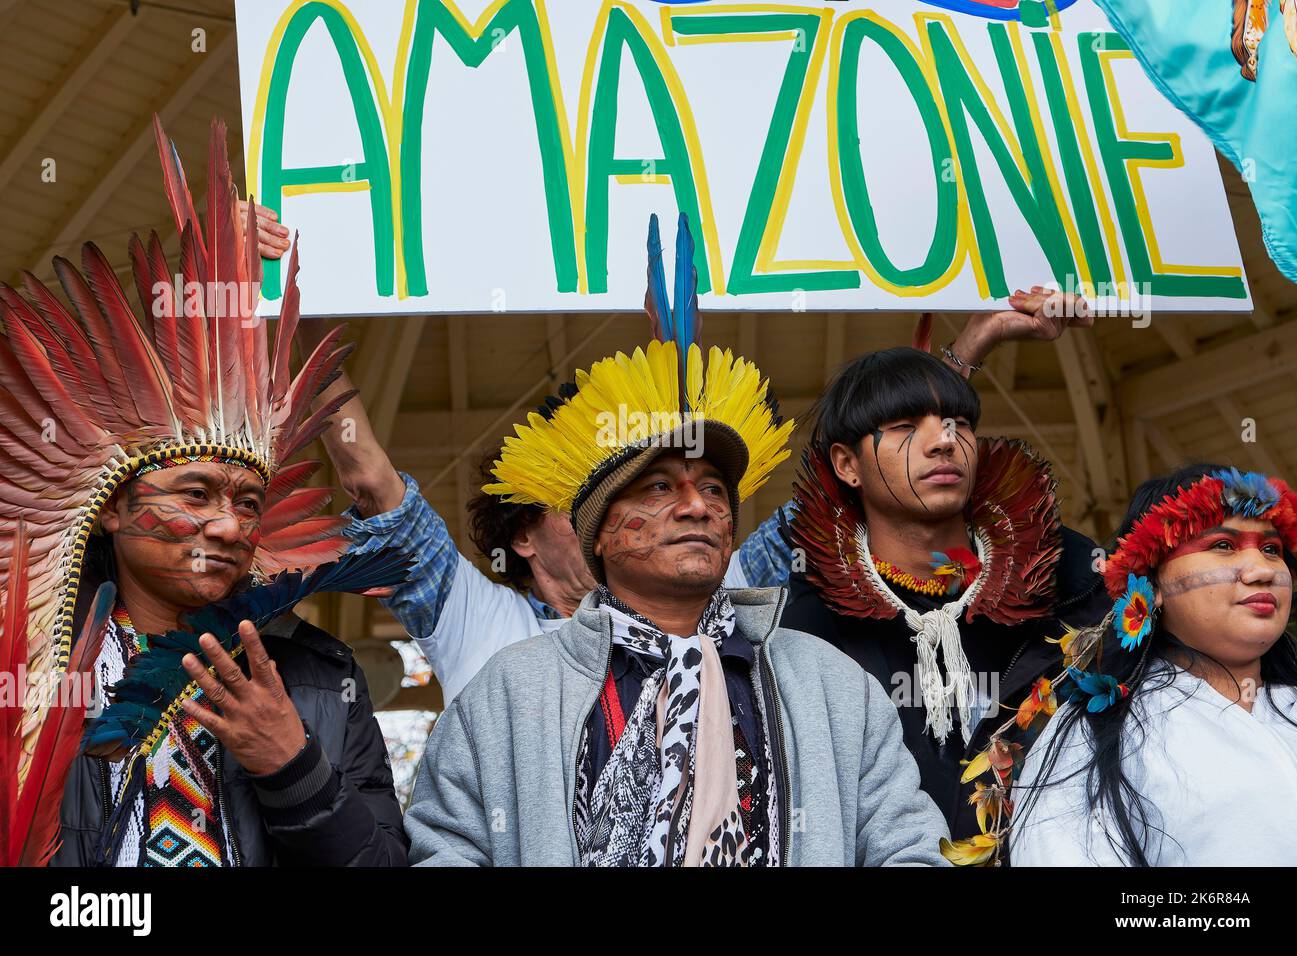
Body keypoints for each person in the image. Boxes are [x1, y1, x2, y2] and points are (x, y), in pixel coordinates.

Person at [252, 202, 1079, 704]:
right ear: (524, 537)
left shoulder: (726, 594)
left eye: (688, 489)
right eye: (589, 495)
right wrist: (280, 296)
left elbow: (867, 480)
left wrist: (969, 350)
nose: (673, 509)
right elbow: (364, 471)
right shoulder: (478, 621)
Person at [0, 118, 408, 867]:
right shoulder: (28, 665)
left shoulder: (322, 676)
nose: (227, 525)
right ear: (113, 506)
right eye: (195, 492)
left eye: (249, 503)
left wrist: (293, 766)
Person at [779, 298, 1118, 852]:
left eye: (959, 423)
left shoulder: (1065, 573)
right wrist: (963, 354)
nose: (944, 441)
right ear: (846, 465)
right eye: (904, 426)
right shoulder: (805, 613)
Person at [1011, 465, 1297, 866]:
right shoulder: (1093, 730)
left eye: (1272, 549)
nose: (1262, 570)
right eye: (1222, 545)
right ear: (1153, 586)